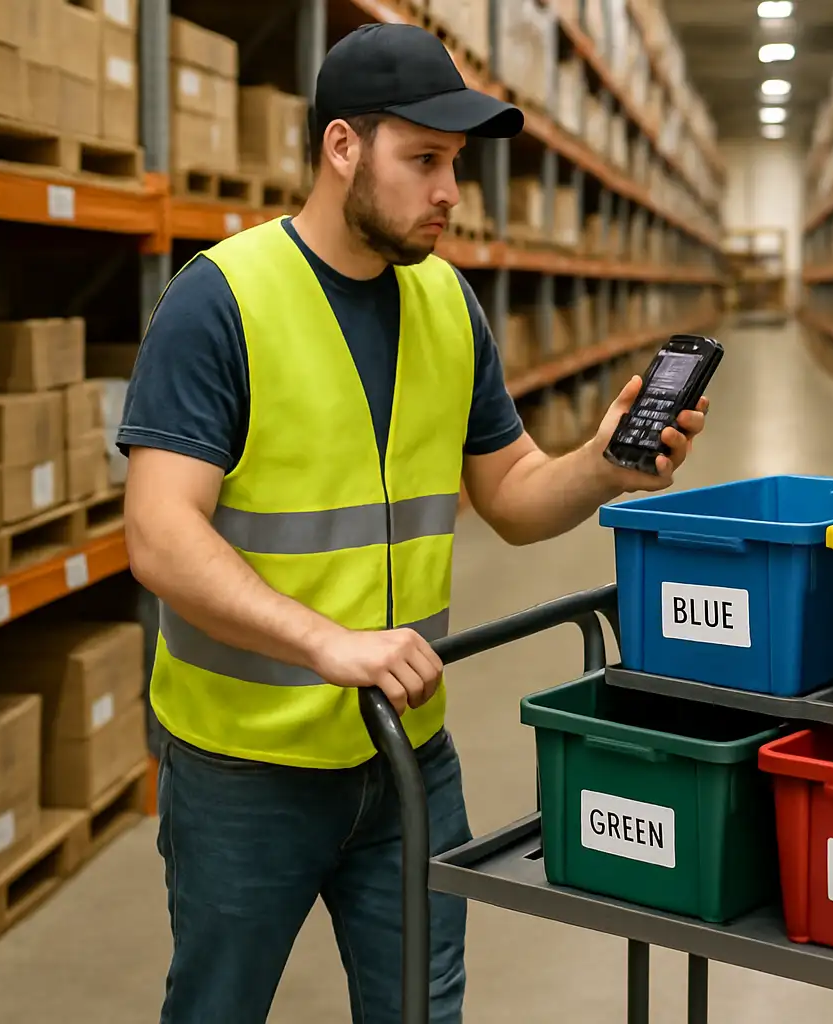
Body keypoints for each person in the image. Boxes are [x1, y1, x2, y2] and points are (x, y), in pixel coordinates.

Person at [119, 22, 708, 1024]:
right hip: (246, 768)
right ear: (342, 147)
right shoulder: (221, 300)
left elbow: (513, 493)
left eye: (457, 166)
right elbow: (159, 534)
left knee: (426, 1010)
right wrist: (326, 643)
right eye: (424, 160)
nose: (449, 192)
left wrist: (602, 465)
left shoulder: (447, 304)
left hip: (406, 752)